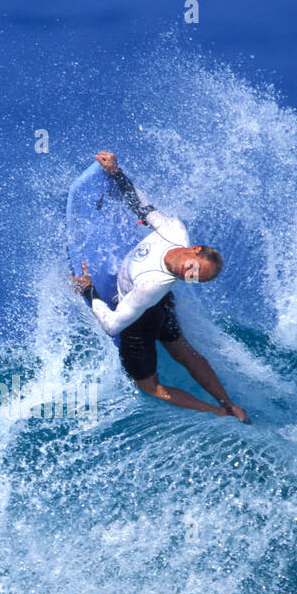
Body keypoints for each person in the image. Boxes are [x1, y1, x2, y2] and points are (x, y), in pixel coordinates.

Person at [72, 151, 250, 423]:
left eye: (194, 278)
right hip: (159, 306)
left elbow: (112, 325)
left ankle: (221, 411)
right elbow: (142, 209)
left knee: (151, 387)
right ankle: (231, 404)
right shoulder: (173, 230)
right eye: (194, 268)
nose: (187, 275)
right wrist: (116, 174)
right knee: (181, 350)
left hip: (139, 317)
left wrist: (89, 290)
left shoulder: (151, 286)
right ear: (194, 249)